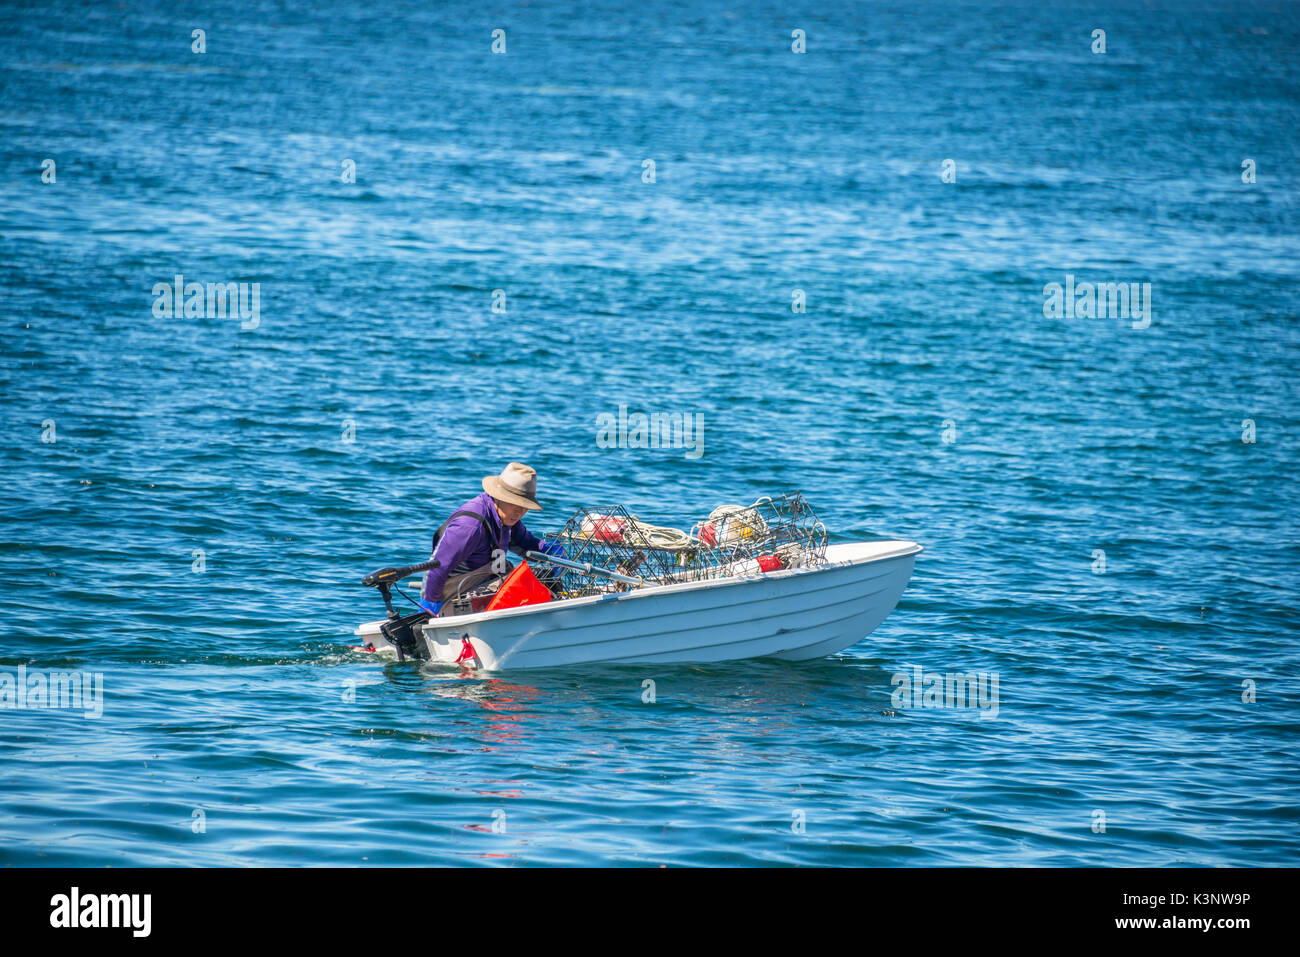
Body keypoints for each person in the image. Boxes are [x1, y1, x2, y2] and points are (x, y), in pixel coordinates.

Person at [417, 462, 560, 615]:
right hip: (455, 597)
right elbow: (437, 568)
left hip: (487, 584)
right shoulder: (470, 526)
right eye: (515, 504)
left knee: (547, 582)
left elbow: (525, 543)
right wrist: (427, 609)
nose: (520, 511)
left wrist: (549, 551)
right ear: (499, 497)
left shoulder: (508, 517)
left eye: (525, 506)